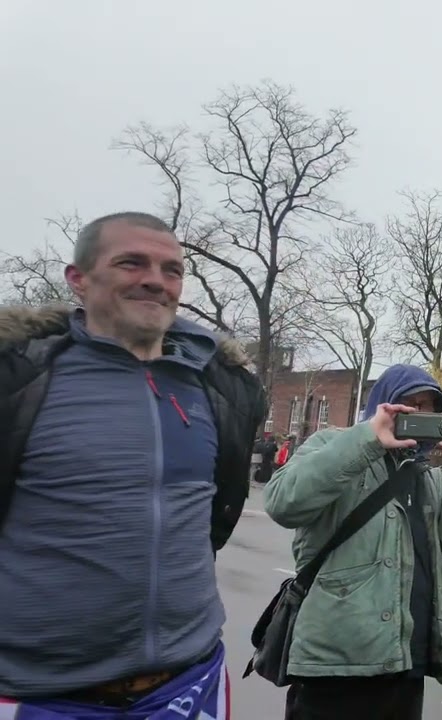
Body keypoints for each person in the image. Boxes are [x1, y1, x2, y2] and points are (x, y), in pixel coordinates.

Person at [0, 211, 265, 718]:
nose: (155, 281)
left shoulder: (221, 388)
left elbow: (212, 521)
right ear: (78, 279)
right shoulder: (19, 378)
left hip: (189, 683)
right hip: (38, 693)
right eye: (131, 263)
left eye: (172, 270)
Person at [263, 364, 442, 720]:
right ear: (384, 405)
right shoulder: (333, 444)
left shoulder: (424, 474)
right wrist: (367, 439)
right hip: (335, 667)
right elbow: (282, 502)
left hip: (404, 664)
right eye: (409, 403)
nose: (419, 412)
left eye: (428, 406)